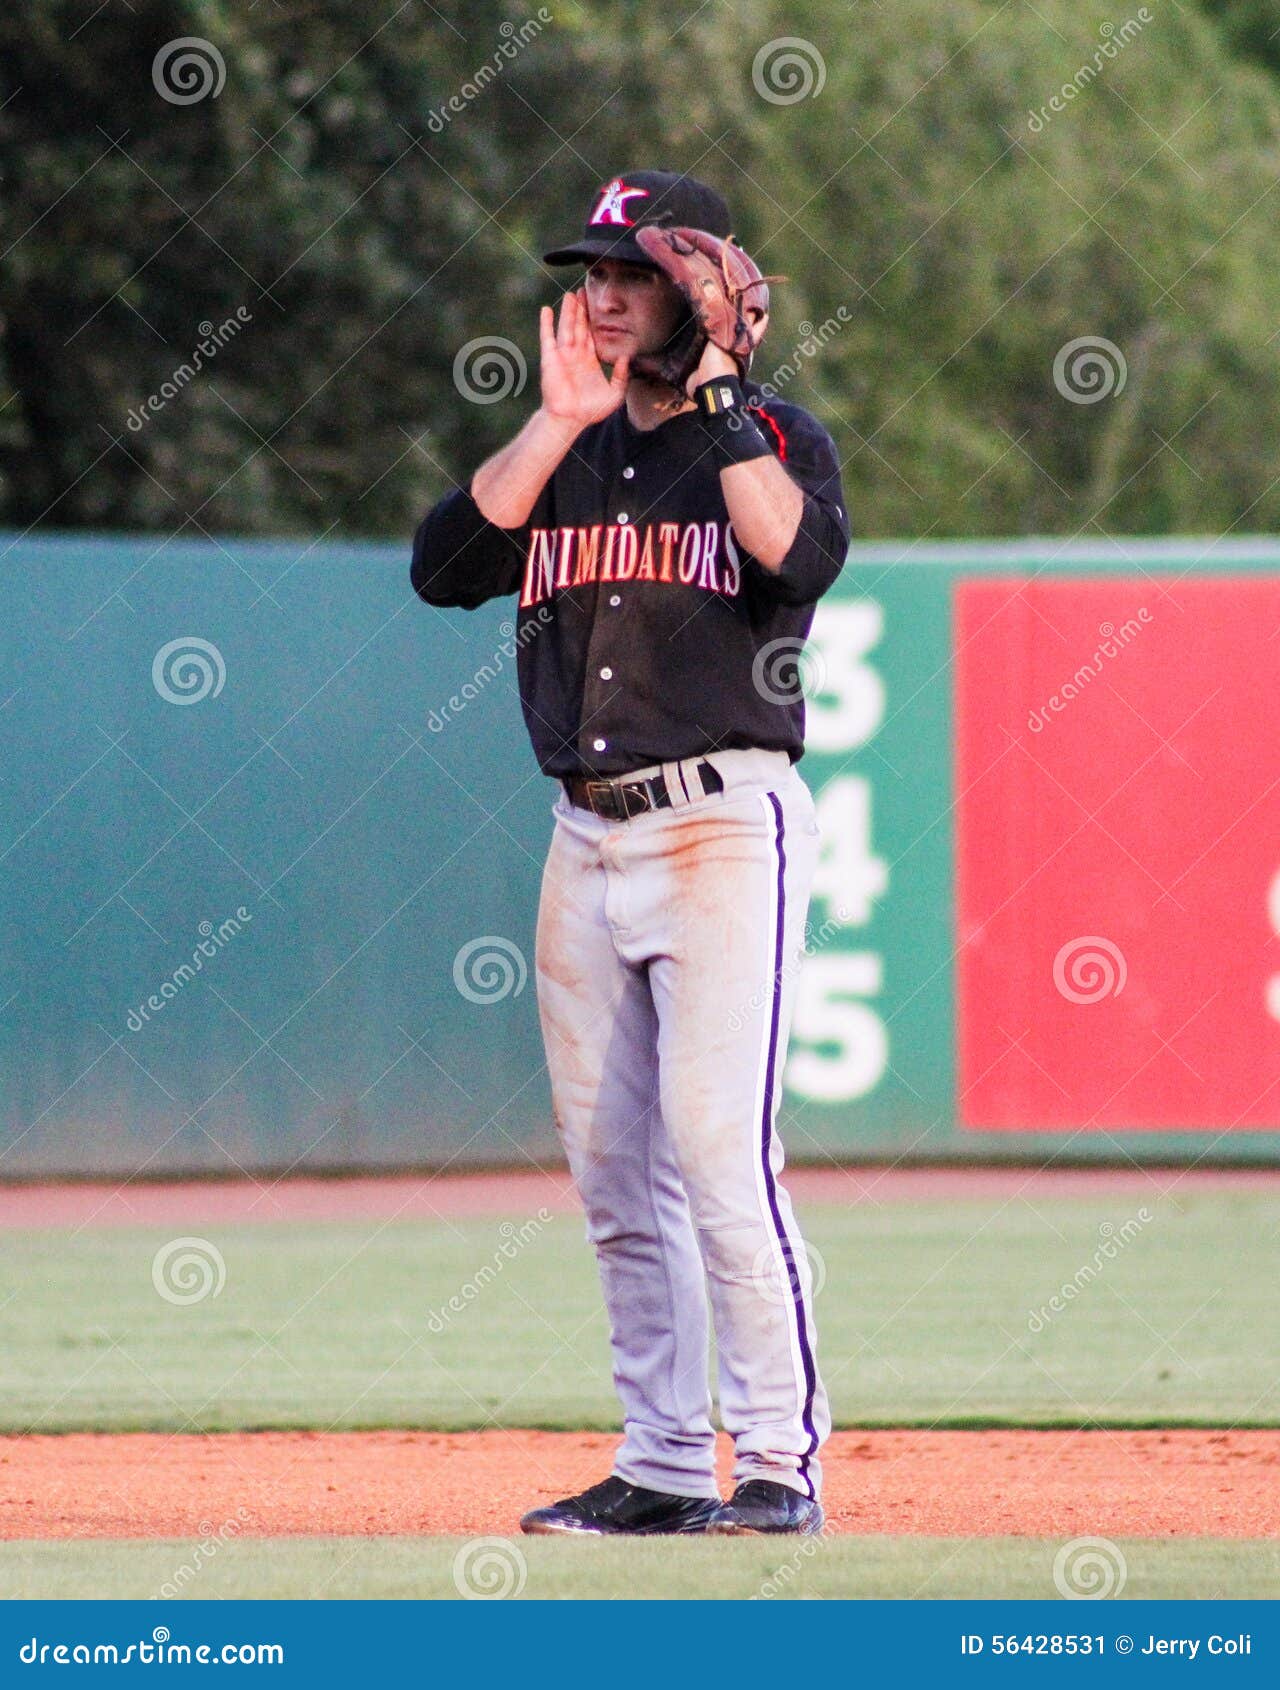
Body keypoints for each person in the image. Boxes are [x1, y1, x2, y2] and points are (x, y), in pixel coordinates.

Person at [411, 169, 849, 1536]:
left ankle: (776, 1461)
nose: (598, 296)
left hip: (723, 824)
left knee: (718, 1152)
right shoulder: (568, 448)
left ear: (700, 289)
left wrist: (719, 400)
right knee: (613, 1182)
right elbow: (443, 565)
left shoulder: (773, 435)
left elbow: (799, 560)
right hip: (584, 835)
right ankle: (660, 1463)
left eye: (629, 273)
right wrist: (552, 422)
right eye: (588, 273)